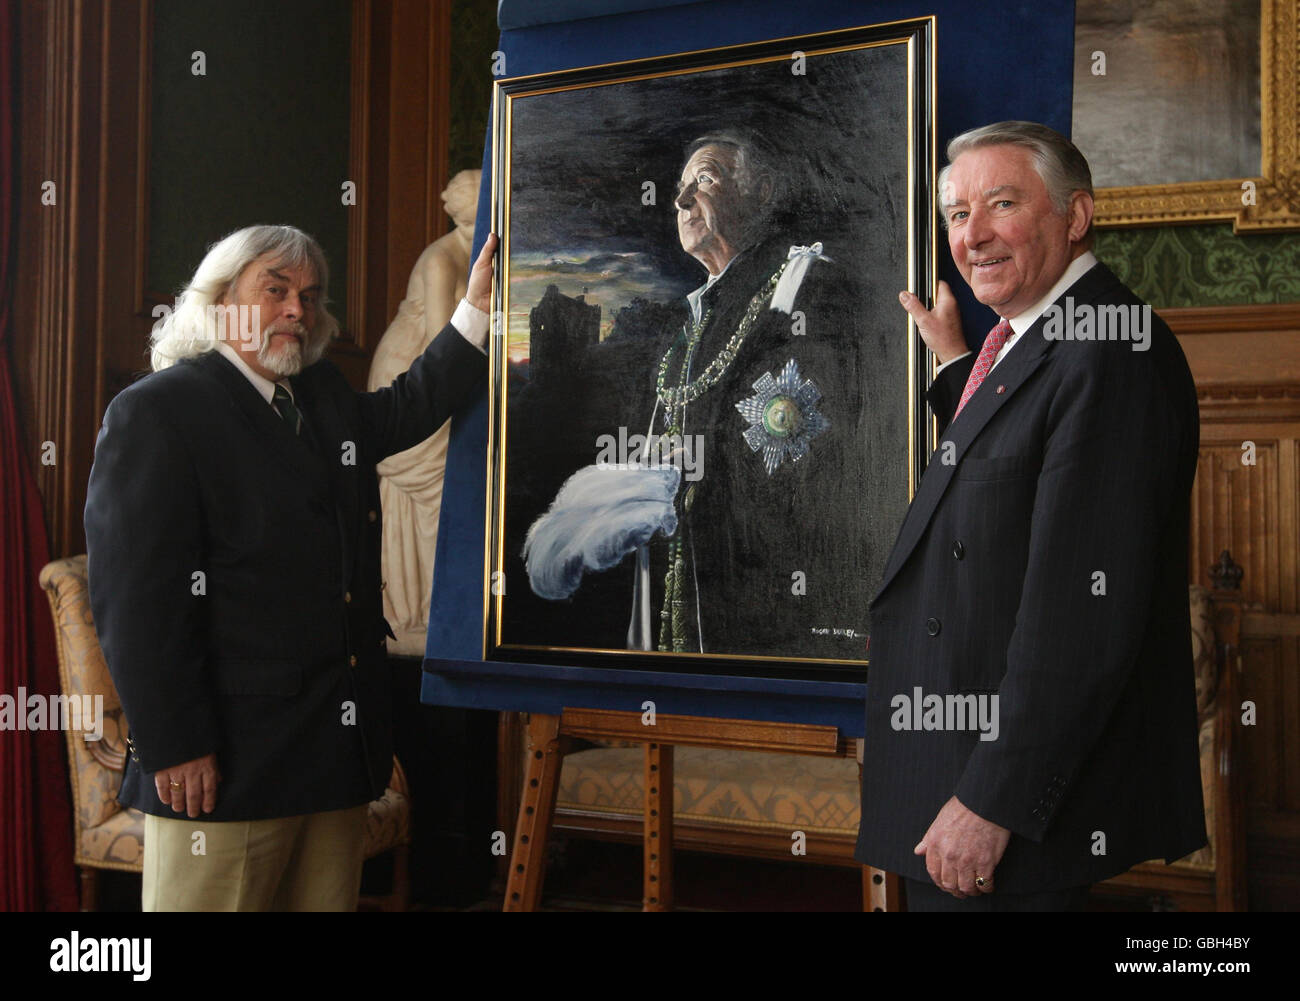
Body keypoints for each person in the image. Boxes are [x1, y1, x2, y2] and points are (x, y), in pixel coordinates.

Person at [85, 224, 496, 910]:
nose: (297, 310)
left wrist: (476, 307)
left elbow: (411, 405)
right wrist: (175, 743)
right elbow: (137, 604)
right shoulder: (157, 412)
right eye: (274, 289)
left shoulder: (321, 394)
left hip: (333, 757)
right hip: (223, 769)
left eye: (309, 295)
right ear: (220, 300)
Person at [855, 121, 1205, 911]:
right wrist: (955, 368)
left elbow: (1081, 612)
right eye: (955, 214)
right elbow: (1007, 474)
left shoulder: (1112, 352)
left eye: (1000, 204)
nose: (970, 234)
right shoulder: (1037, 336)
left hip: (1003, 806)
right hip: (952, 766)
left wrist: (993, 801)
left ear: (1075, 216)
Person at [523, 131, 878, 661]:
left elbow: (801, 461)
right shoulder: (692, 323)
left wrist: (662, 479)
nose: (683, 201)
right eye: (680, 189)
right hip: (684, 597)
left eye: (704, 180)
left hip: (767, 609)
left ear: (761, 191)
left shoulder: (805, 290)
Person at [368, 169, 481, 656]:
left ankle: (442, 607)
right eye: (479, 221)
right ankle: (416, 614)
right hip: (410, 379)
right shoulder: (441, 260)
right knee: (435, 480)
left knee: (461, 478)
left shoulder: (476, 251)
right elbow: (443, 347)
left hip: (439, 379)